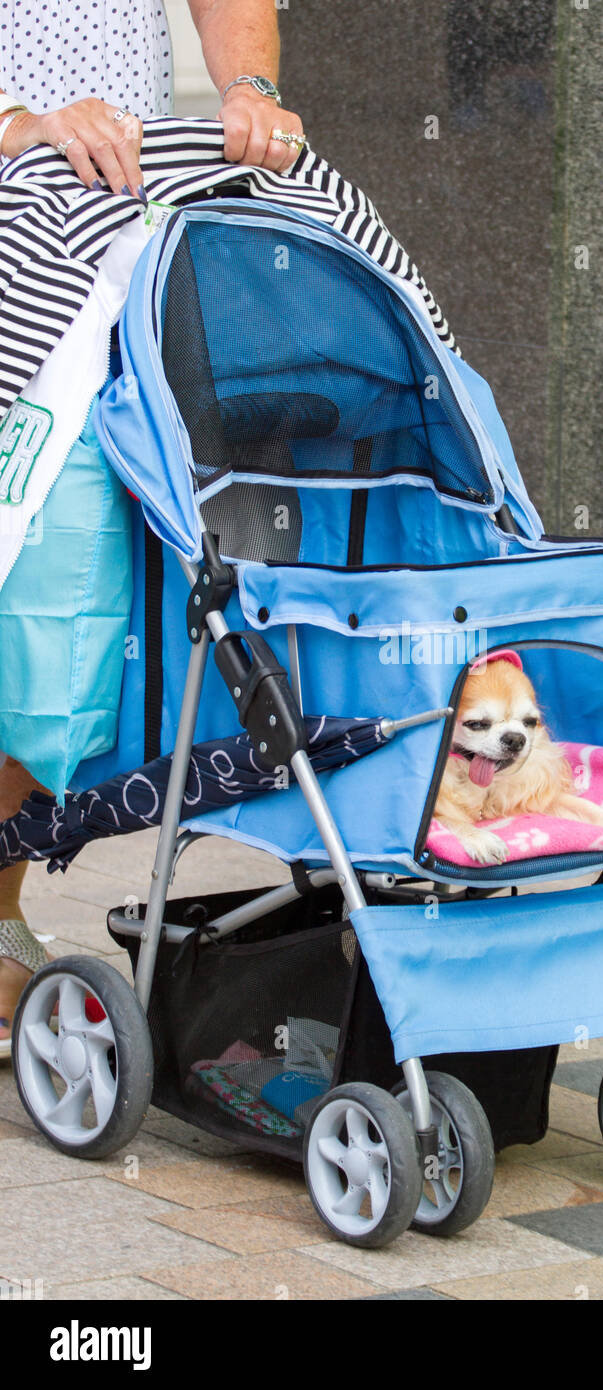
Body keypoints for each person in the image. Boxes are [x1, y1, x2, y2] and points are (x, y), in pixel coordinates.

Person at [0, 0, 304, 1053]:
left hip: (99, 242)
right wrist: (17, 123)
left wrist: (248, 92)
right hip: (26, 209)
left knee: (63, 579)